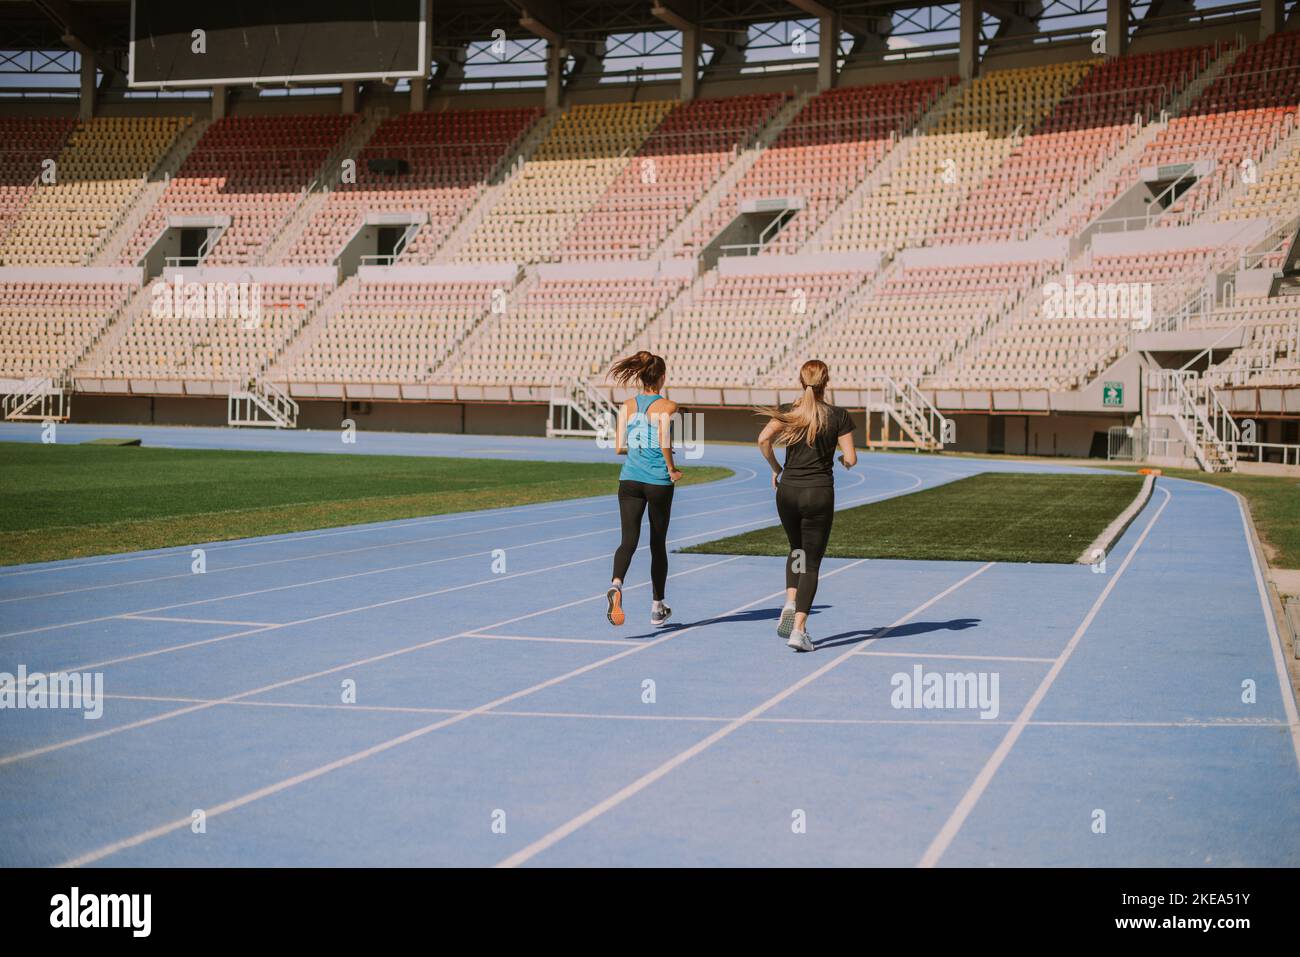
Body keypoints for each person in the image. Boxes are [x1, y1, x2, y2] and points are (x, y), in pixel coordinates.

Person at [756, 359, 857, 652]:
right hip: (818, 493)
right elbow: (851, 458)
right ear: (827, 381)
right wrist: (842, 460)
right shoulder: (838, 416)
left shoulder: (790, 411)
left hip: (788, 491)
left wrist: (776, 468)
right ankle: (799, 629)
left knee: (796, 549)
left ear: (801, 380)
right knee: (811, 563)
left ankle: (790, 600)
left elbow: (763, 439)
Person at [606, 351, 682, 628]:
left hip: (629, 481)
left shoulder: (627, 405)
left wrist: (638, 447)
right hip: (658, 482)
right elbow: (663, 438)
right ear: (662, 378)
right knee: (657, 544)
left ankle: (616, 584)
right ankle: (657, 607)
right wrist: (672, 467)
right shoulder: (668, 406)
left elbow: (618, 447)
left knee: (628, 540)